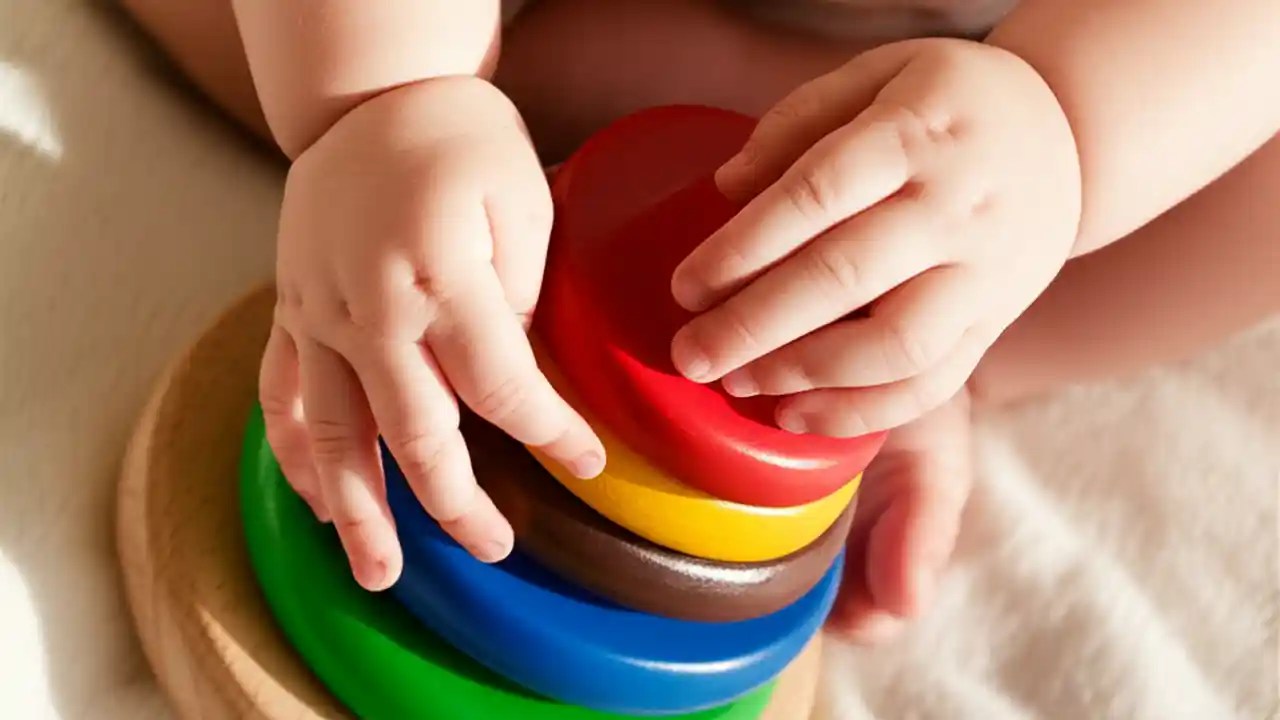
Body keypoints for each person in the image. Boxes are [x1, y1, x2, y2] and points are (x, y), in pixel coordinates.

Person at [118, 0, 1280, 644]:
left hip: (985, 63)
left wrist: (1066, 129)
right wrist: (385, 98)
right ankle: (419, 124)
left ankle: (940, 338)